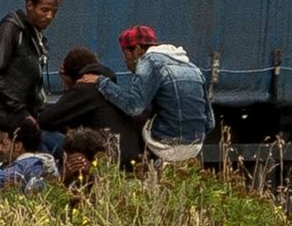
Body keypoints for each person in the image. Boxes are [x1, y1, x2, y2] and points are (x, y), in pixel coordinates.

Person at [82, 25, 213, 164]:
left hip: (164, 145)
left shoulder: (149, 61)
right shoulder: (192, 67)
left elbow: (134, 107)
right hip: (196, 145)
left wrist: (101, 82)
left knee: (137, 118)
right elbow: (210, 123)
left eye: (126, 54)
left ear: (138, 49)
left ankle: (135, 165)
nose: (125, 62)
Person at [0, 0, 66, 144]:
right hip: (6, 123)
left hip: (24, 121)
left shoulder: (34, 35)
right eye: (44, 10)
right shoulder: (11, 30)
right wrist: (20, 111)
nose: (49, 16)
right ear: (30, 5)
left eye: (53, 11)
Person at [38, 46, 143, 167]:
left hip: (107, 161)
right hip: (130, 159)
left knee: (41, 133)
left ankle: (55, 173)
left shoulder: (85, 89)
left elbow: (45, 120)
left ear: (70, 75)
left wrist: (68, 88)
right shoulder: (110, 88)